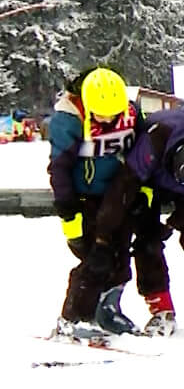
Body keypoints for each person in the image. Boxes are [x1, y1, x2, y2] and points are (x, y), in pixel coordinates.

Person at [91, 106, 184, 339]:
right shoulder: (154, 140)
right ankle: (160, 309)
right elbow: (123, 187)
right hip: (151, 182)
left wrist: (174, 222)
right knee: (147, 241)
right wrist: (103, 235)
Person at [48, 66, 144, 338]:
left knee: (121, 256)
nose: (110, 118)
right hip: (84, 198)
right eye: (103, 114)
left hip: (119, 194)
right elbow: (59, 167)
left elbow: (142, 149)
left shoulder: (130, 114)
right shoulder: (68, 120)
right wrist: (66, 208)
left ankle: (108, 309)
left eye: (115, 113)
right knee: (95, 258)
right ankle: (74, 315)